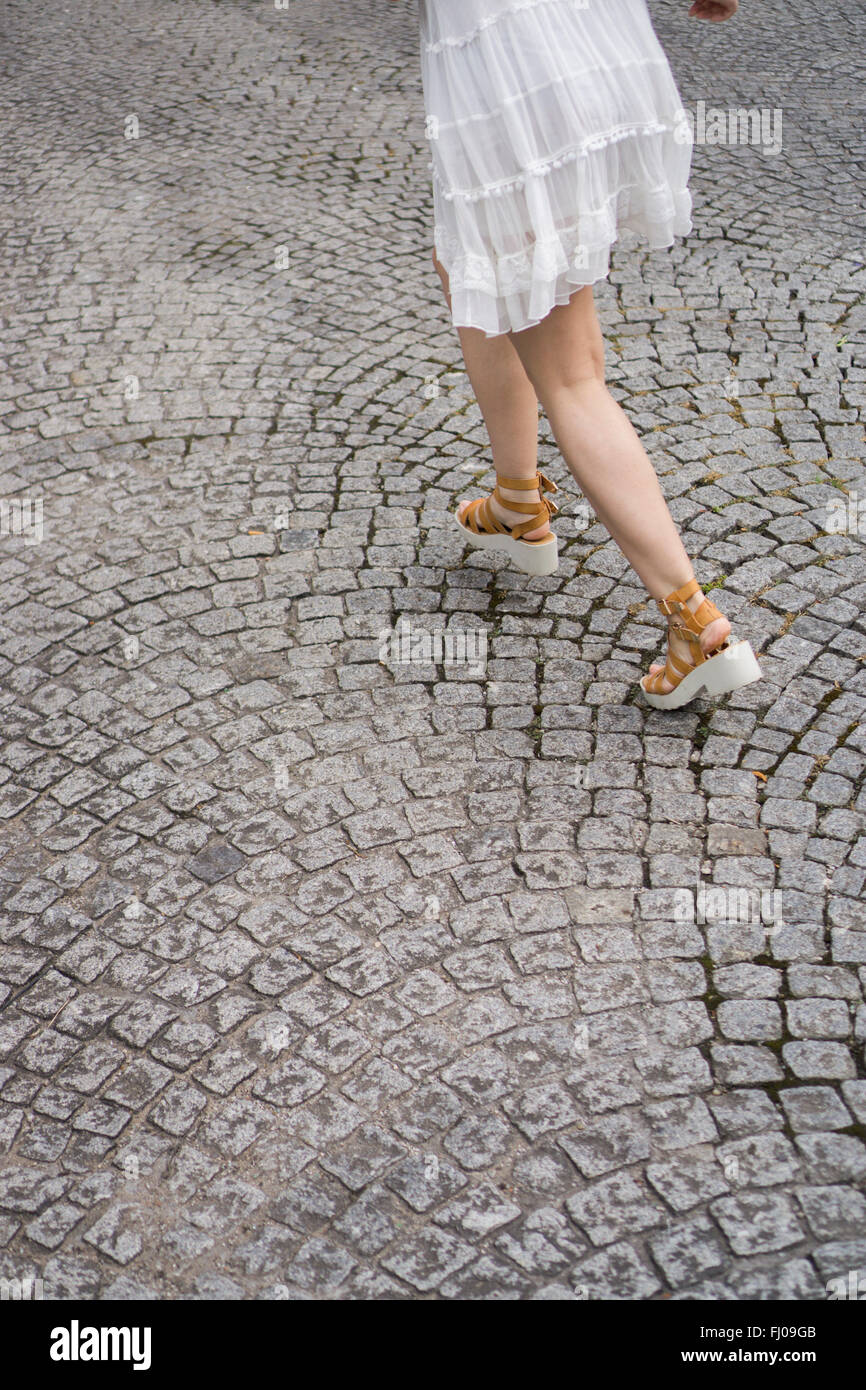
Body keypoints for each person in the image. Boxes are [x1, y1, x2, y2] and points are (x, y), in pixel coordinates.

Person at [401, 0, 760, 709]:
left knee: (571, 375)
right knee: (468, 264)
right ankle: (515, 501)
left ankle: (695, 623)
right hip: (597, 50)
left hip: (513, 82)